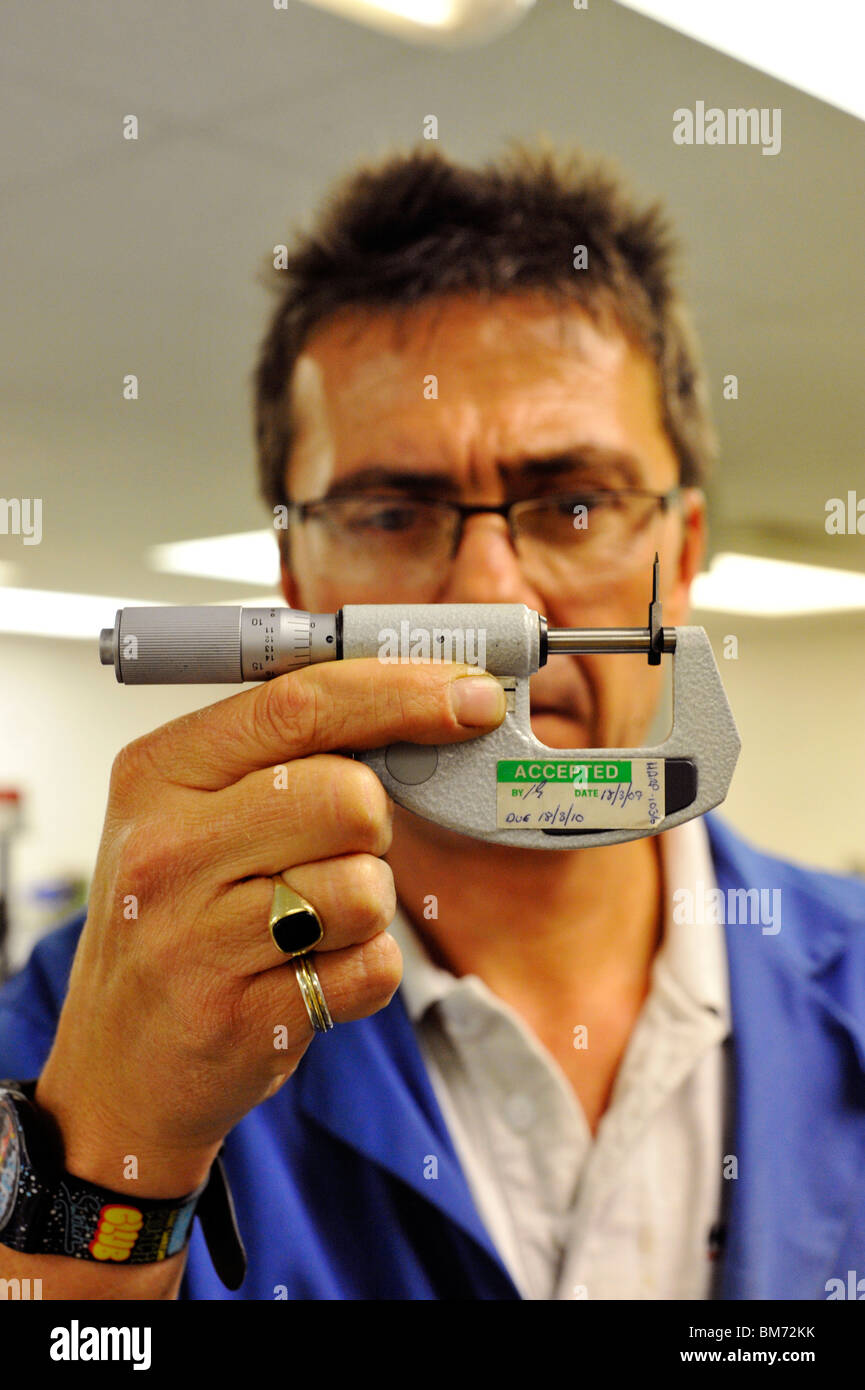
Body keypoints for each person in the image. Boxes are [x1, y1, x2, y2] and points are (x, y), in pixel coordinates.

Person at [1, 142, 863, 1301]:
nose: (491, 599)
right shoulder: (88, 1014)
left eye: (573, 502)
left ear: (686, 551)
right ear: (298, 574)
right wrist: (111, 1163)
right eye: (395, 510)